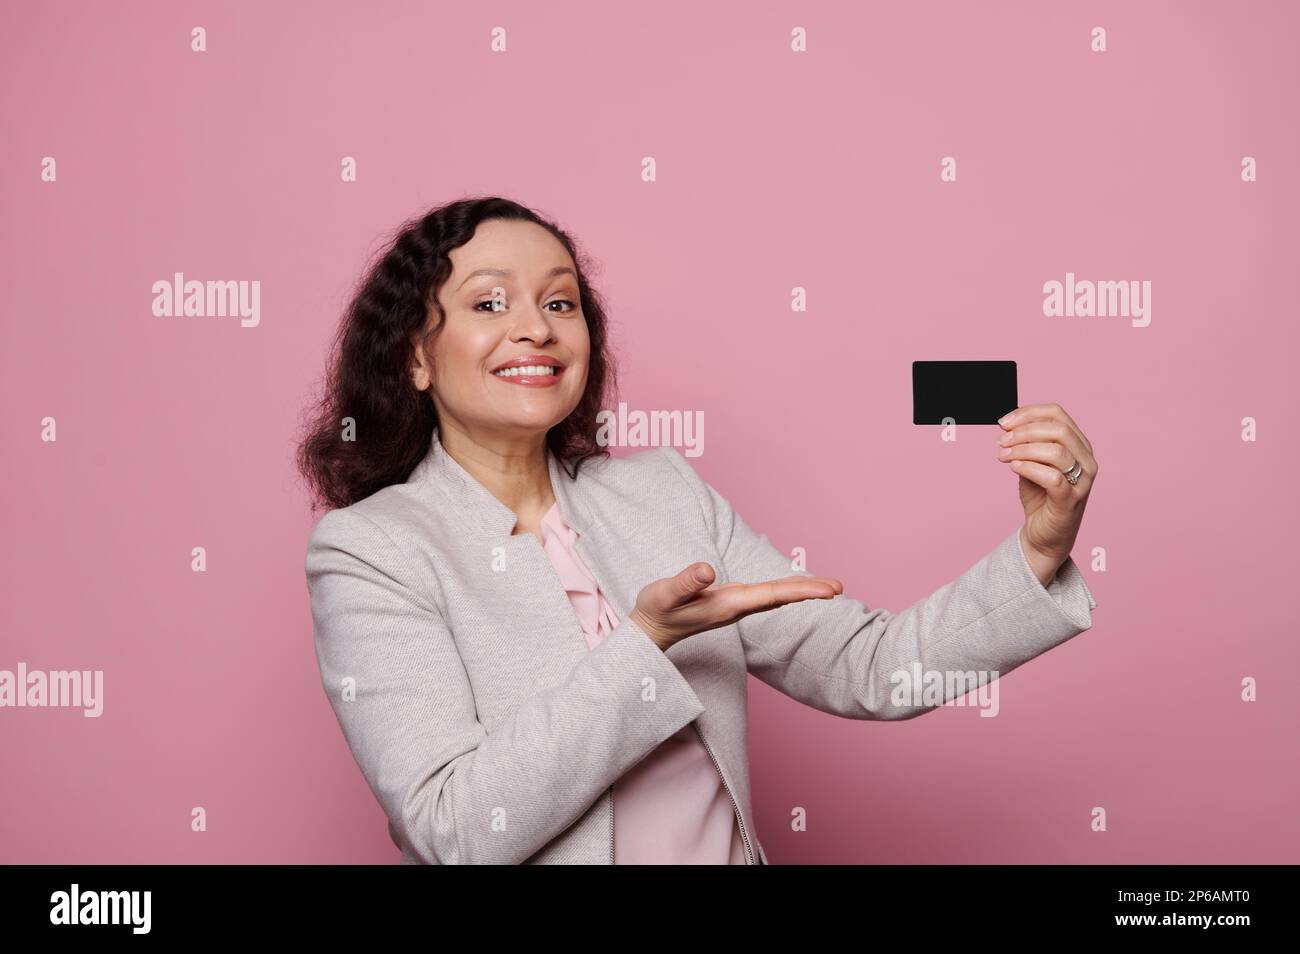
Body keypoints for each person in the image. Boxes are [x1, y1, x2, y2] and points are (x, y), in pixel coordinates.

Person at [297, 195, 1099, 865]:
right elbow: (455, 831)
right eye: (489, 302)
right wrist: (643, 644)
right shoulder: (372, 550)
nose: (536, 329)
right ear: (415, 359)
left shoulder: (665, 494)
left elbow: (874, 669)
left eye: (560, 301)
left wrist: (1039, 550)